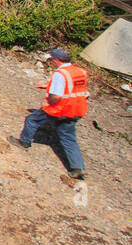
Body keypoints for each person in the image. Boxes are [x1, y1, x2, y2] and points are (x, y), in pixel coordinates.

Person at [11, 47, 88, 180]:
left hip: (60, 109)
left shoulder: (60, 74)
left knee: (32, 120)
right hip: (76, 110)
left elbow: (57, 96)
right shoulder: (80, 71)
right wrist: (48, 86)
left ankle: (24, 142)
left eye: (52, 59)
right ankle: (77, 168)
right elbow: (72, 87)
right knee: (69, 138)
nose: (51, 61)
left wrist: (49, 103)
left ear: (56, 60)